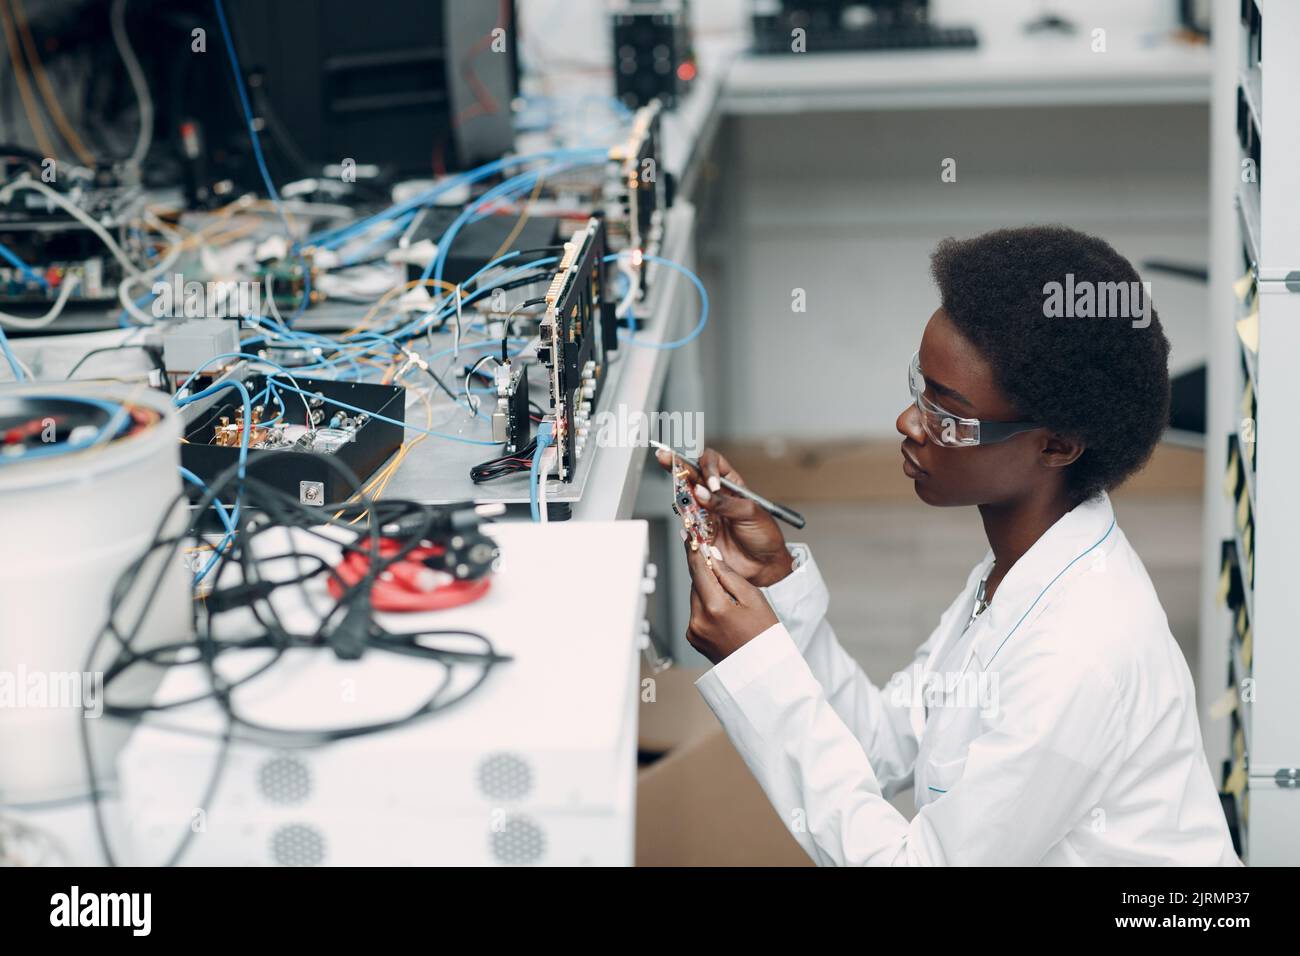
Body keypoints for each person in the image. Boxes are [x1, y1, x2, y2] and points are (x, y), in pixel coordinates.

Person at [659, 226, 1239, 866]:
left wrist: (757, 667)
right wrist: (773, 585)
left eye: (948, 413)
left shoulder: (1081, 650)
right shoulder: (1020, 571)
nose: (910, 424)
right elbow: (883, 745)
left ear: (1056, 445)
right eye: (920, 389)